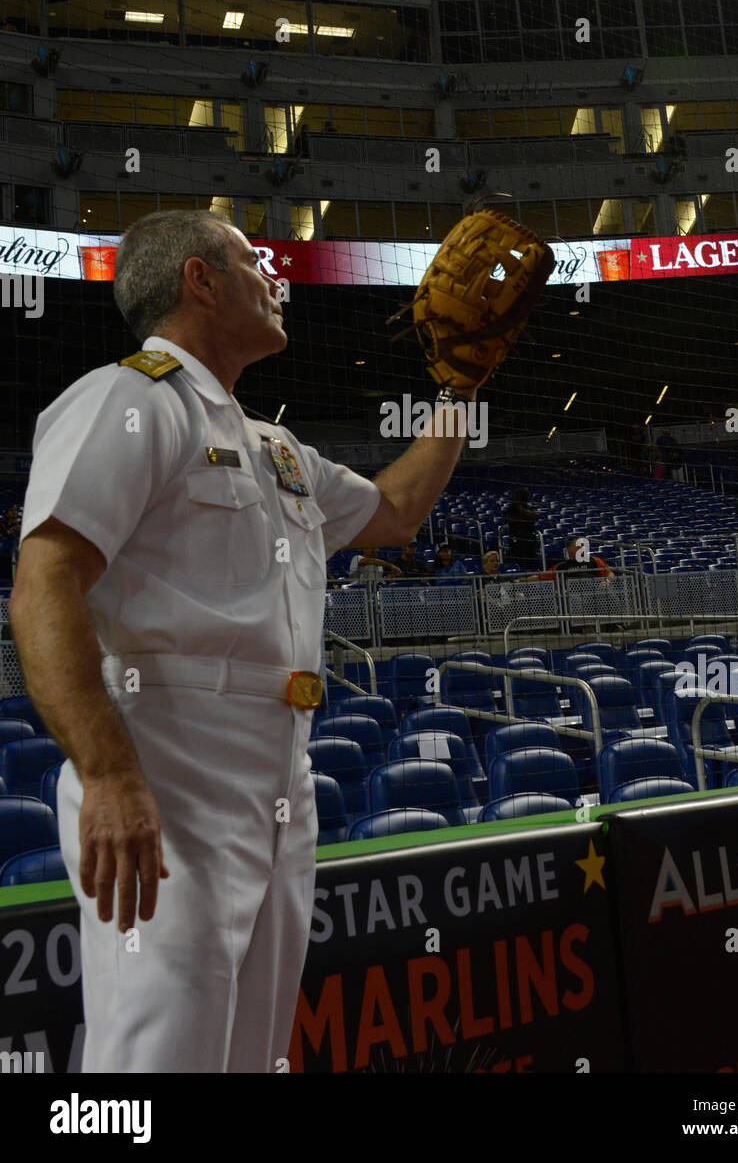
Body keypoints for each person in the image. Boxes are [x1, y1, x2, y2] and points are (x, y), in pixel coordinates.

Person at [9, 209, 475, 1074]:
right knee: (155, 1060)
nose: (274, 276)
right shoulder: (129, 397)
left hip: (278, 775)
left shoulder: (275, 449)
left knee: (250, 1059)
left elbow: (397, 512)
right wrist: (108, 773)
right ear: (199, 280)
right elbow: (44, 581)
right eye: (253, 261)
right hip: (168, 767)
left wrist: (461, 389)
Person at [504, 487, 539, 569]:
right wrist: (526, 517)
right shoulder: (510, 510)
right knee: (517, 562)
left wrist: (522, 510)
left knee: (530, 562)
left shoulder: (529, 508)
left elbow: (536, 516)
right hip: (516, 541)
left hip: (529, 540)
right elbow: (510, 519)